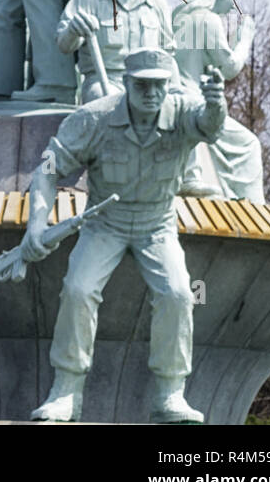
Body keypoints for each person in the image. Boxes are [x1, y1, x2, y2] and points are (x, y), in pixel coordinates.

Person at [21, 48, 227, 424]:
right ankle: (66, 391)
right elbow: (48, 168)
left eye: (159, 85)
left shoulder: (183, 112)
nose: (152, 93)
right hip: (104, 223)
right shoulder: (93, 118)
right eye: (143, 84)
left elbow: (209, 126)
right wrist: (36, 223)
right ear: (127, 83)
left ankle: (170, 395)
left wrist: (217, 104)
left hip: (157, 225)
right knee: (78, 290)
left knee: (179, 293)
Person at [173, 0, 264, 202]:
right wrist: (244, 40)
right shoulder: (209, 20)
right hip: (193, 101)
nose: (234, 6)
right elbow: (229, 67)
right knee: (249, 145)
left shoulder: (179, 16)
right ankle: (251, 211)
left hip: (175, 97)